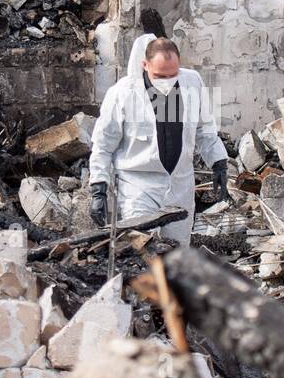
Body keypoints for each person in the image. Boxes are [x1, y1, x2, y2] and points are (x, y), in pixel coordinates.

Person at [88, 34, 229, 247]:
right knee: (143, 252)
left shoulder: (192, 83)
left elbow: (205, 130)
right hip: (139, 187)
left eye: (173, 75)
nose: (167, 81)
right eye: (160, 76)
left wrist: (219, 163)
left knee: (176, 255)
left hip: (180, 185)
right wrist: (98, 188)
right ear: (144, 65)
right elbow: (103, 144)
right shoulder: (122, 94)